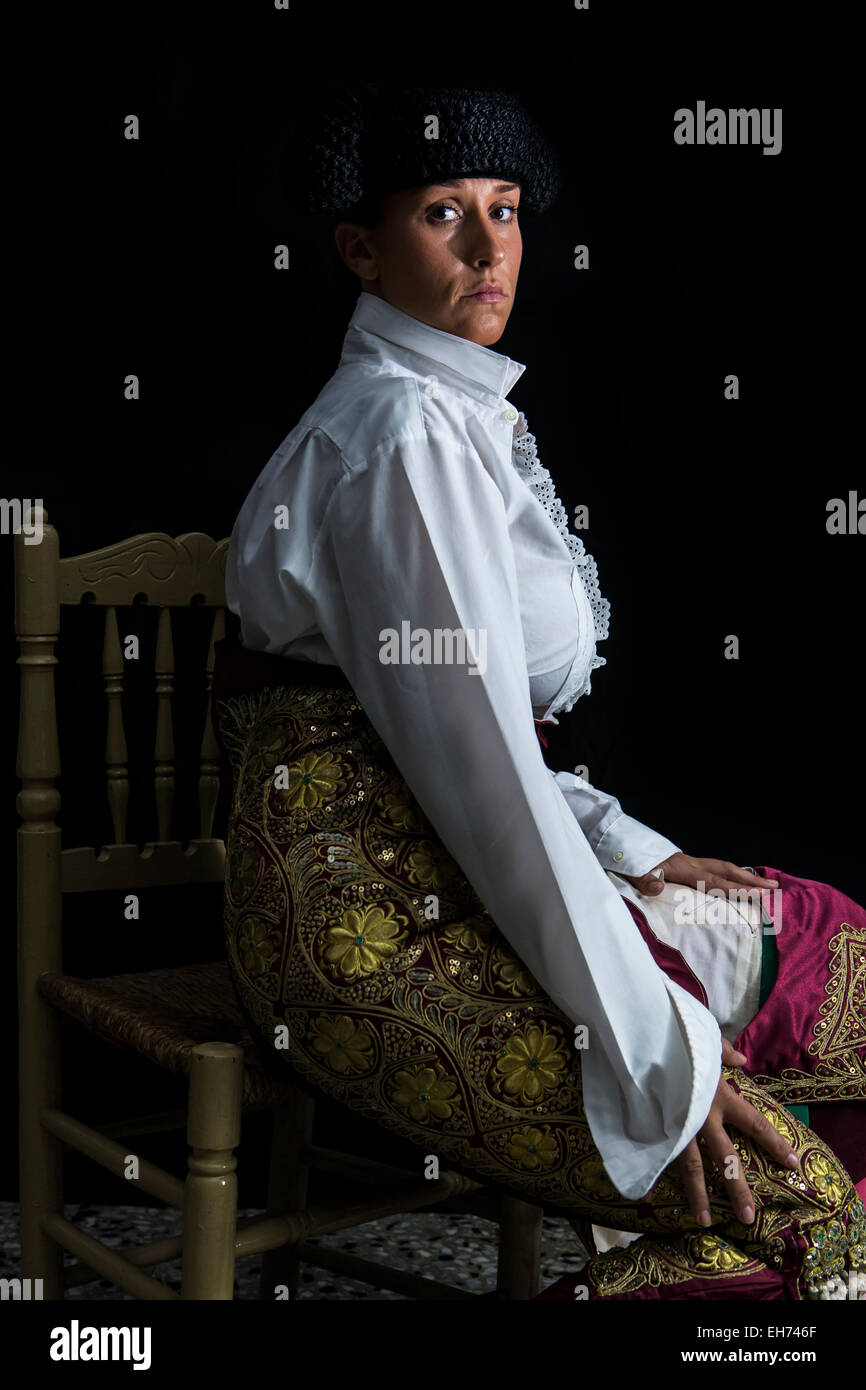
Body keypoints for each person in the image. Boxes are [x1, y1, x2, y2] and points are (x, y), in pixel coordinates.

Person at [214, 84, 865, 1299]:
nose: (486, 247)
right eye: (441, 215)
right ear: (360, 249)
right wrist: (660, 1061)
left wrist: (631, 845)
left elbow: (470, 745)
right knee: (791, 1215)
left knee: (839, 954)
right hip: (365, 929)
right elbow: (483, 788)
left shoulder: (452, 418)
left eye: (503, 212)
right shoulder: (399, 440)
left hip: (451, 869)